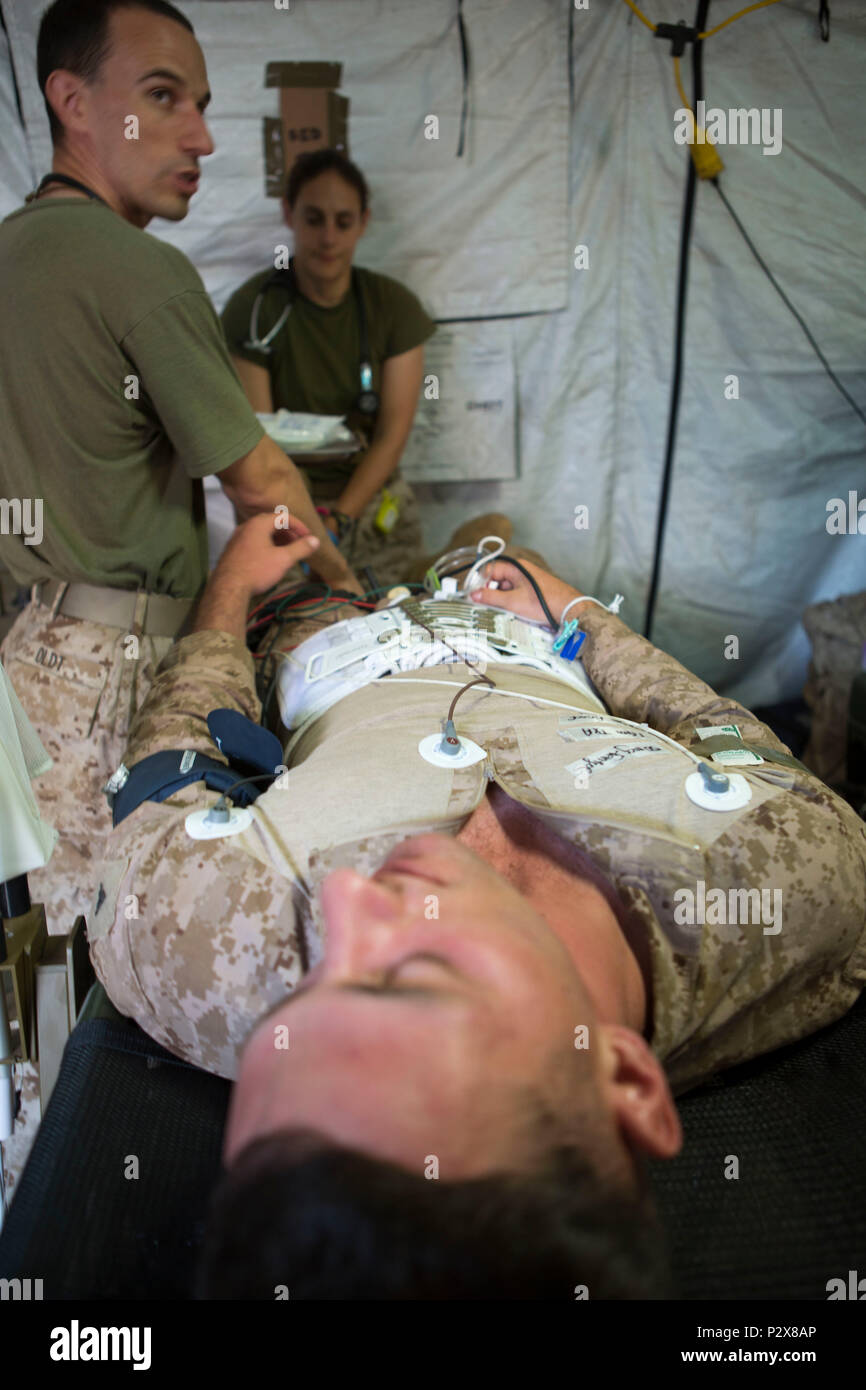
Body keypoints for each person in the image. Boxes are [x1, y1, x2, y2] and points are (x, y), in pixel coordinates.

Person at [88, 512, 866, 1298]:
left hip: (320, 646)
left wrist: (230, 583)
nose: (350, 901)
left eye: (306, 982)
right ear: (625, 1080)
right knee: (495, 534)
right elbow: (715, 729)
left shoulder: (185, 942)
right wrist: (576, 613)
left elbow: (172, 752)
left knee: (289, 528)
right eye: (416, 978)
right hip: (520, 635)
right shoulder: (793, 883)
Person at [0, 0, 356, 930]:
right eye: (163, 98)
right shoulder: (138, 270)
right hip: (110, 676)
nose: (200, 136)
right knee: (138, 952)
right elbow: (264, 485)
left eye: (200, 103)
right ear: (72, 100)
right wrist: (355, 609)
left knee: (45, 951)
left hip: (21, 670)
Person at [220, 149, 436, 589]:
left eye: (343, 221)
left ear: (364, 221)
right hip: (284, 503)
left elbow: (392, 435)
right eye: (314, 219)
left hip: (371, 501)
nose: (328, 238)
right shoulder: (255, 309)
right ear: (289, 214)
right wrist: (310, 525)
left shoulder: (393, 307)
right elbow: (263, 442)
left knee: (402, 622)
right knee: (296, 630)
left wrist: (340, 519)